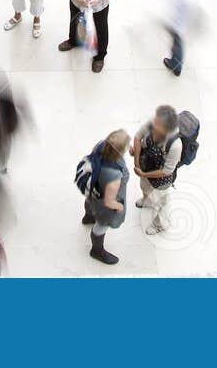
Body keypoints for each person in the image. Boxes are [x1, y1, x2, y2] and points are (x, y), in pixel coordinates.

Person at [130, 106, 184, 236]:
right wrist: (137, 162)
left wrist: (144, 174)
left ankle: (161, 224)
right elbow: (138, 137)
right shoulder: (153, 122)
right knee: (145, 186)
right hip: (145, 164)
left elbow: (167, 171)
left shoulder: (175, 145)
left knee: (161, 202)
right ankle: (147, 200)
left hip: (161, 177)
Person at [79, 129, 130, 264]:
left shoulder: (101, 145)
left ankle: (88, 217)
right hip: (104, 199)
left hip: (93, 190)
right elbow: (109, 202)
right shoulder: (114, 176)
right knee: (102, 223)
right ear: (119, 151)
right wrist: (119, 206)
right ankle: (96, 250)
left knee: (90, 201)